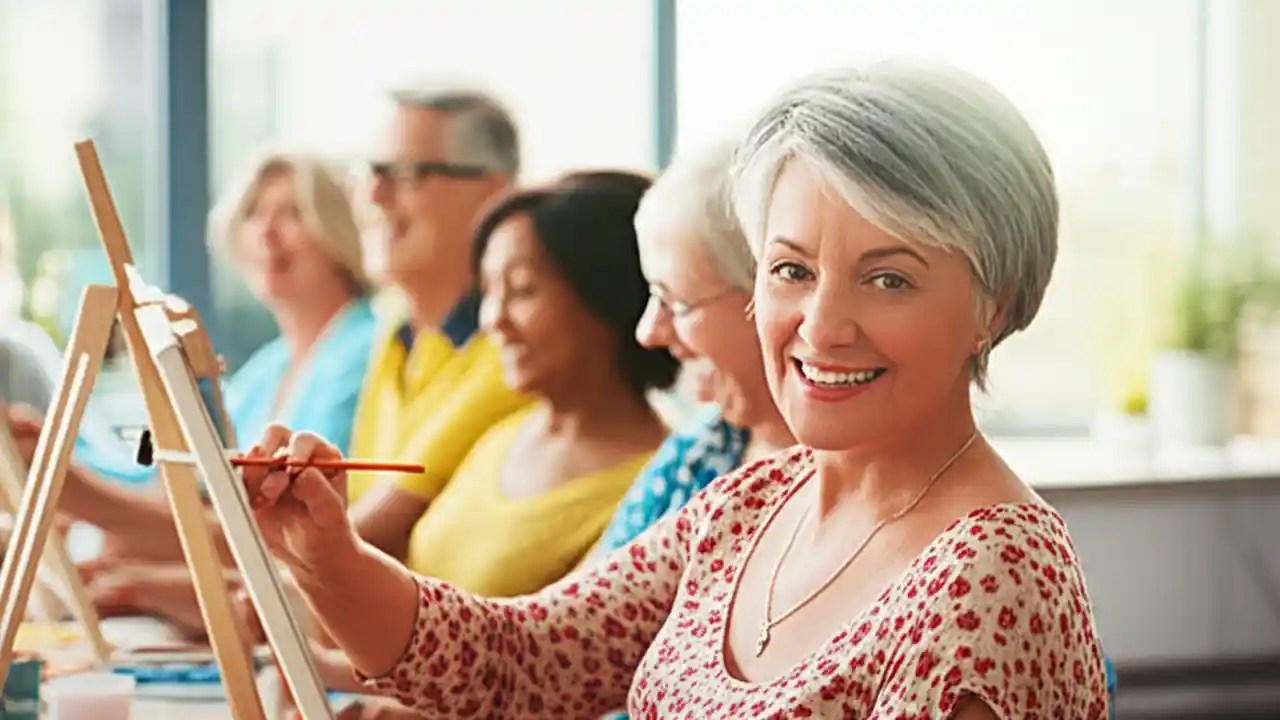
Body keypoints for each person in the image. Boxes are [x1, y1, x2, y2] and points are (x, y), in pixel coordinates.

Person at [242, 60, 1110, 718]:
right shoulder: (752, 502)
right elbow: (521, 659)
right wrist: (329, 557)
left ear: (994, 306)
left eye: (888, 279)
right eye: (791, 270)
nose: (821, 325)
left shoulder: (991, 572)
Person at [6, 152, 378, 630]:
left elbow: (282, 530)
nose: (266, 232)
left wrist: (72, 484)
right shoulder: (270, 366)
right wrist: (55, 455)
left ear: (340, 229)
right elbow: (180, 481)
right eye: (254, 213)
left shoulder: (364, 349)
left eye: (292, 213)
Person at [394, 173, 677, 592]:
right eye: (488, 291)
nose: (493, 320)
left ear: (605, 297)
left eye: (522, 289)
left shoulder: (659, 488)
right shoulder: (501, 436)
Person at [345, 86, 532, 560]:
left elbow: (367, 538)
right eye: (369, 172)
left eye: (407, 173)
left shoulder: (513, 353)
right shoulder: (394, 329)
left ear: (492, 195)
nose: (374, 195)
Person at [595, 140, 794, 556]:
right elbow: (585, 591)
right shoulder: (702, 450)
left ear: (771, 294)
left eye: (676, 301)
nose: (649, 332)